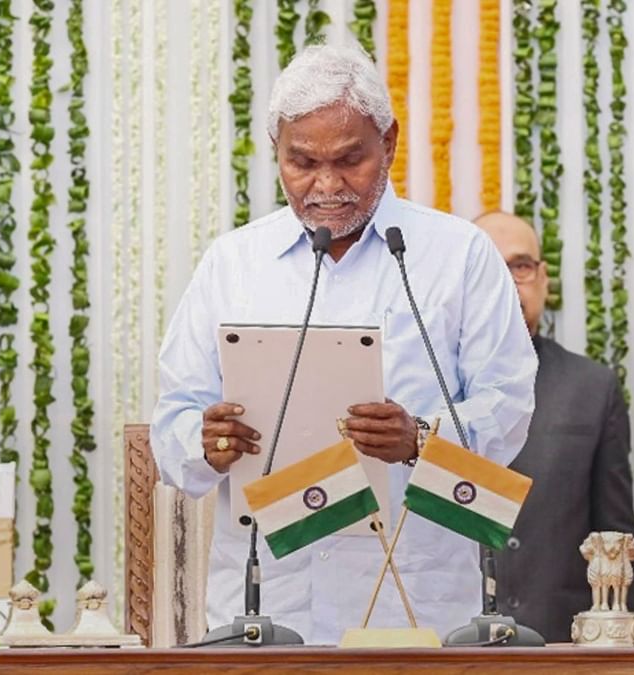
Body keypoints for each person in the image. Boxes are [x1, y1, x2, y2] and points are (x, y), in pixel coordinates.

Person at [150, 44, 538, 645]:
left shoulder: (458, 256)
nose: (327, 185)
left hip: (415, 605)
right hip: (270, 605)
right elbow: (173, 424)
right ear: (276, 148)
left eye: (350, 160)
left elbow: (508, 405)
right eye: (302, 162)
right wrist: (206, 443)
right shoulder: (233, 264)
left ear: (389, 142)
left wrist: (420, 438)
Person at [475, 210, 634, 643]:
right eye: (490, 267)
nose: (509, 282)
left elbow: (615, 538)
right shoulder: (428, 387)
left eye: (521, 266)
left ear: (544, 279)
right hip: (449, 644)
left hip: (562, 644)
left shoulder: (591, 387)